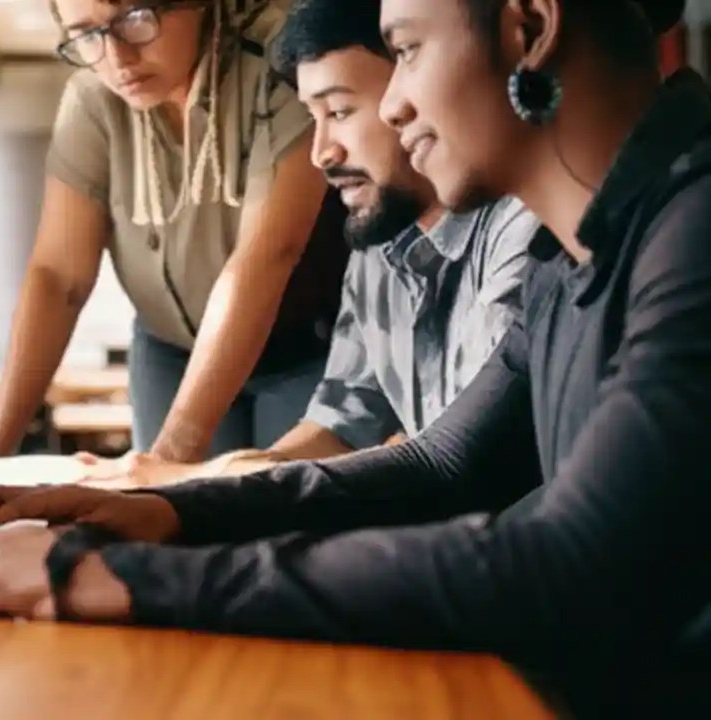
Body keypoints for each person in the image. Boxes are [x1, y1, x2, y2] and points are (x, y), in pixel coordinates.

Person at [0, 0, 711, 679]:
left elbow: (572, 566)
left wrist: (118, 579)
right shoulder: (567, 256)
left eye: (403, 51)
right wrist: (171, 510)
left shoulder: (694, 230)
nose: (395, 104)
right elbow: (441, 465)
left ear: (529, 27)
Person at [77, 0, 539, 487]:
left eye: (338, 111)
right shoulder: (377, 251)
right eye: (312, 117)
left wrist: (214, 474)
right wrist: (196, 483)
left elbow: (458, 457)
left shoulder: (524, 233)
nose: (321, 153)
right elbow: (339, 428)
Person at [0, 0, 351, 474]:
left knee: (279, 512)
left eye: (136, 19)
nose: (116, 58)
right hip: (168, 351)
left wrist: (172, 452)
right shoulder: (93, 99)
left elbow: (266, 256)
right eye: (86, 34)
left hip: (303, 349)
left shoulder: (279, 66)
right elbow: (59, 277)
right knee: (169, 521)